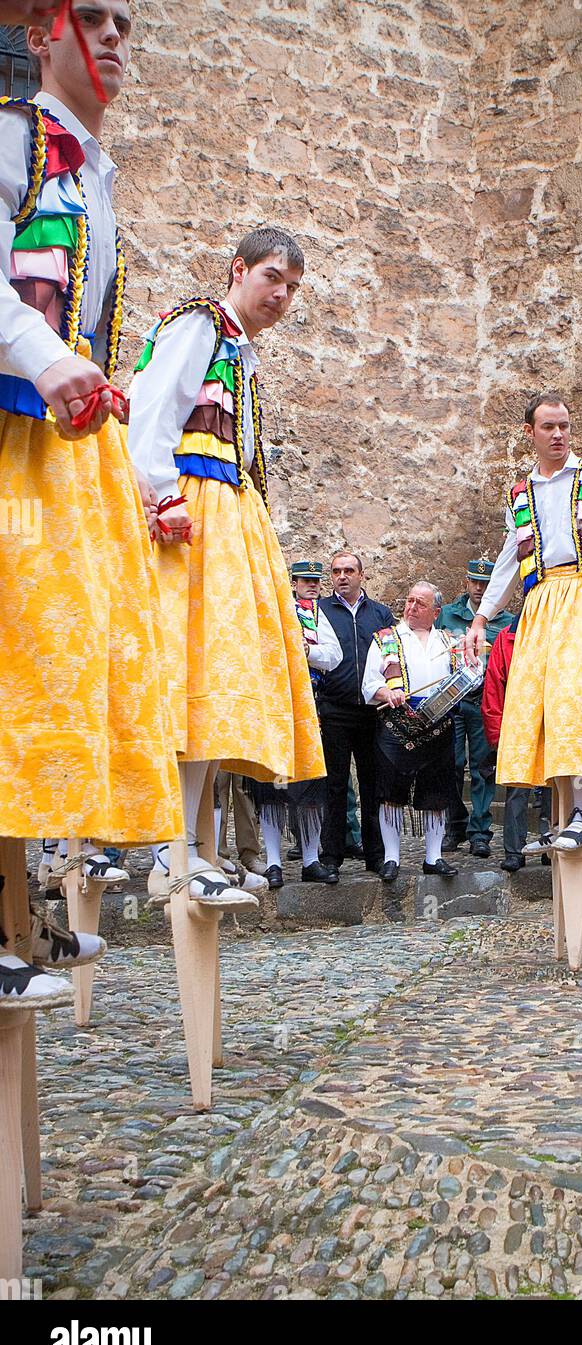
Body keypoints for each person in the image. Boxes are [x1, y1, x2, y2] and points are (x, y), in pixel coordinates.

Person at [0, 0, 184, 999]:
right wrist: (43, 354)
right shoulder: (13, 139)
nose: (114, 37)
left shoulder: (93, 178)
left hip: (71, 457)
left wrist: (143, 485)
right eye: (93, 18)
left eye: (126, 23)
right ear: (41, 34)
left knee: (52, 674)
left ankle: (23, 912)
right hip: (11, 441)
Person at [127, 226, 325, 908]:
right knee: (186, 672)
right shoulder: (199, 325)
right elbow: (151, 412)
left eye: (293, 287)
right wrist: (162, 495)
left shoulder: (238, 351)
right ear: (238, 270)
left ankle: (192, 844)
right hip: (195, 509)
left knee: (217, 676)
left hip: (231, 514)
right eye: (273, 277)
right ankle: (171, 846)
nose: (282, 295)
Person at [465, 391, 582, 853]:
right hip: (542, 601)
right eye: (548, 427)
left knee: (576, 700)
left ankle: (581, 817)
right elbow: (511, 561)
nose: (558, 434)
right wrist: (481, 618)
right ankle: (558, 817)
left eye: (564, 426)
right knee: (541, 705)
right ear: (530, 432)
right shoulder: (520, 493)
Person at [246, 560, 343, 888]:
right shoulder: (268, 610)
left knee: (311, 786)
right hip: (272, 708)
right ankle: (273, 862)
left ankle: (311, 859)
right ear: (292, 582)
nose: (312, 585)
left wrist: (307, 651)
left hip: (308, 707)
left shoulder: (316, 615)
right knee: (271, 788)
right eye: (305, 580)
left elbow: (335, 655)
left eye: (316, 581)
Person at [362, 582, 460, 882]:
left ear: (436, 612)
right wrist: (385, 693)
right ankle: (391, 858)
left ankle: (434, 857)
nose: (412, 607)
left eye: (420, 603)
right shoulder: (386, 639)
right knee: (391, 791)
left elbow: (465, 677)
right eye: (409, 601)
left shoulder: (448, 641)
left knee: (436, 792)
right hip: (398, 724)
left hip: (438, 724)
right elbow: (369, 682)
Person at [317, 552, 393, 879]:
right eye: (336, 572)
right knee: (334, 784)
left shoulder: (380, 614)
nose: (342, 576)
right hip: (334, 708)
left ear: (362, 575)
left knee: (372, 784)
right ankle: (331, 855)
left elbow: (391, 659)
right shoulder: (319, 613)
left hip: (371, 712)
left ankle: (376, 855)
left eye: (349, 570)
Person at [438, 558, 515, 857]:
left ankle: (480, 831)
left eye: (486, 583)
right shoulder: (448, 615)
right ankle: (455, 823)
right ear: (467, 583)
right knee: (453, 765)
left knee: (483, 768)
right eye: (475, 582)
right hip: (455, 701)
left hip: (486, 700)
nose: (480, 588)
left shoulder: (506, 621)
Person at [481, 615, 551, 871]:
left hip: (550, 721)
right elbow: (494, 687)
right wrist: (497, 735)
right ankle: (514, 849)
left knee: (552, 787)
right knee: (517, 791)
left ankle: (550, 844)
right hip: (517, 723)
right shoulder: (507, 638)